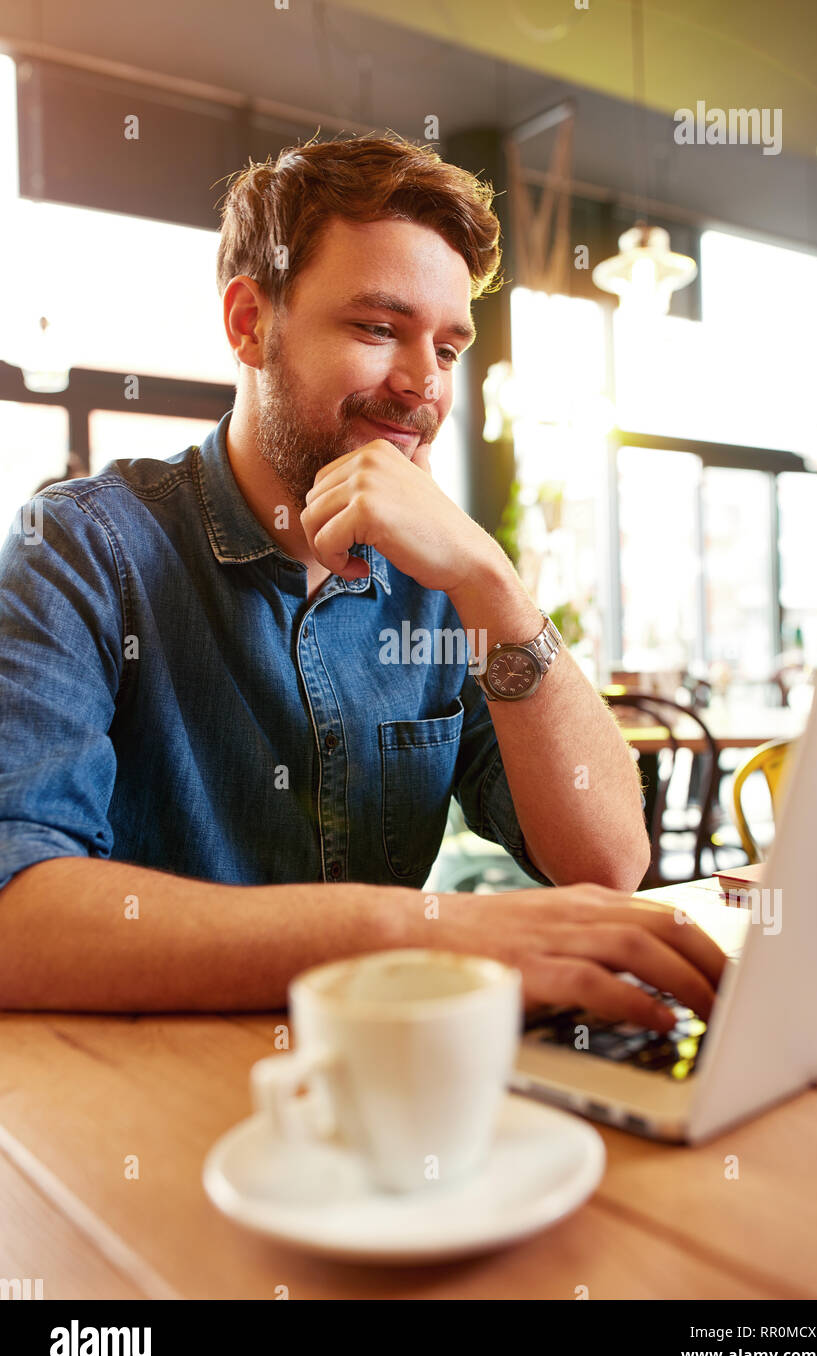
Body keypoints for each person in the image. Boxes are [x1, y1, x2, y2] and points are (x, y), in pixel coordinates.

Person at [0, 135, 725, 1023]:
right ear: (249, 324)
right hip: (153, 1106)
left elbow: (607, 862)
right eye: (379, 328)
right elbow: (16, 917)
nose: (423, 384)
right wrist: (420, 931)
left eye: (449, 347)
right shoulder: (83, 548)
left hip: (398, 1091)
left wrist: (492, 583)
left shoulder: (442, 580)